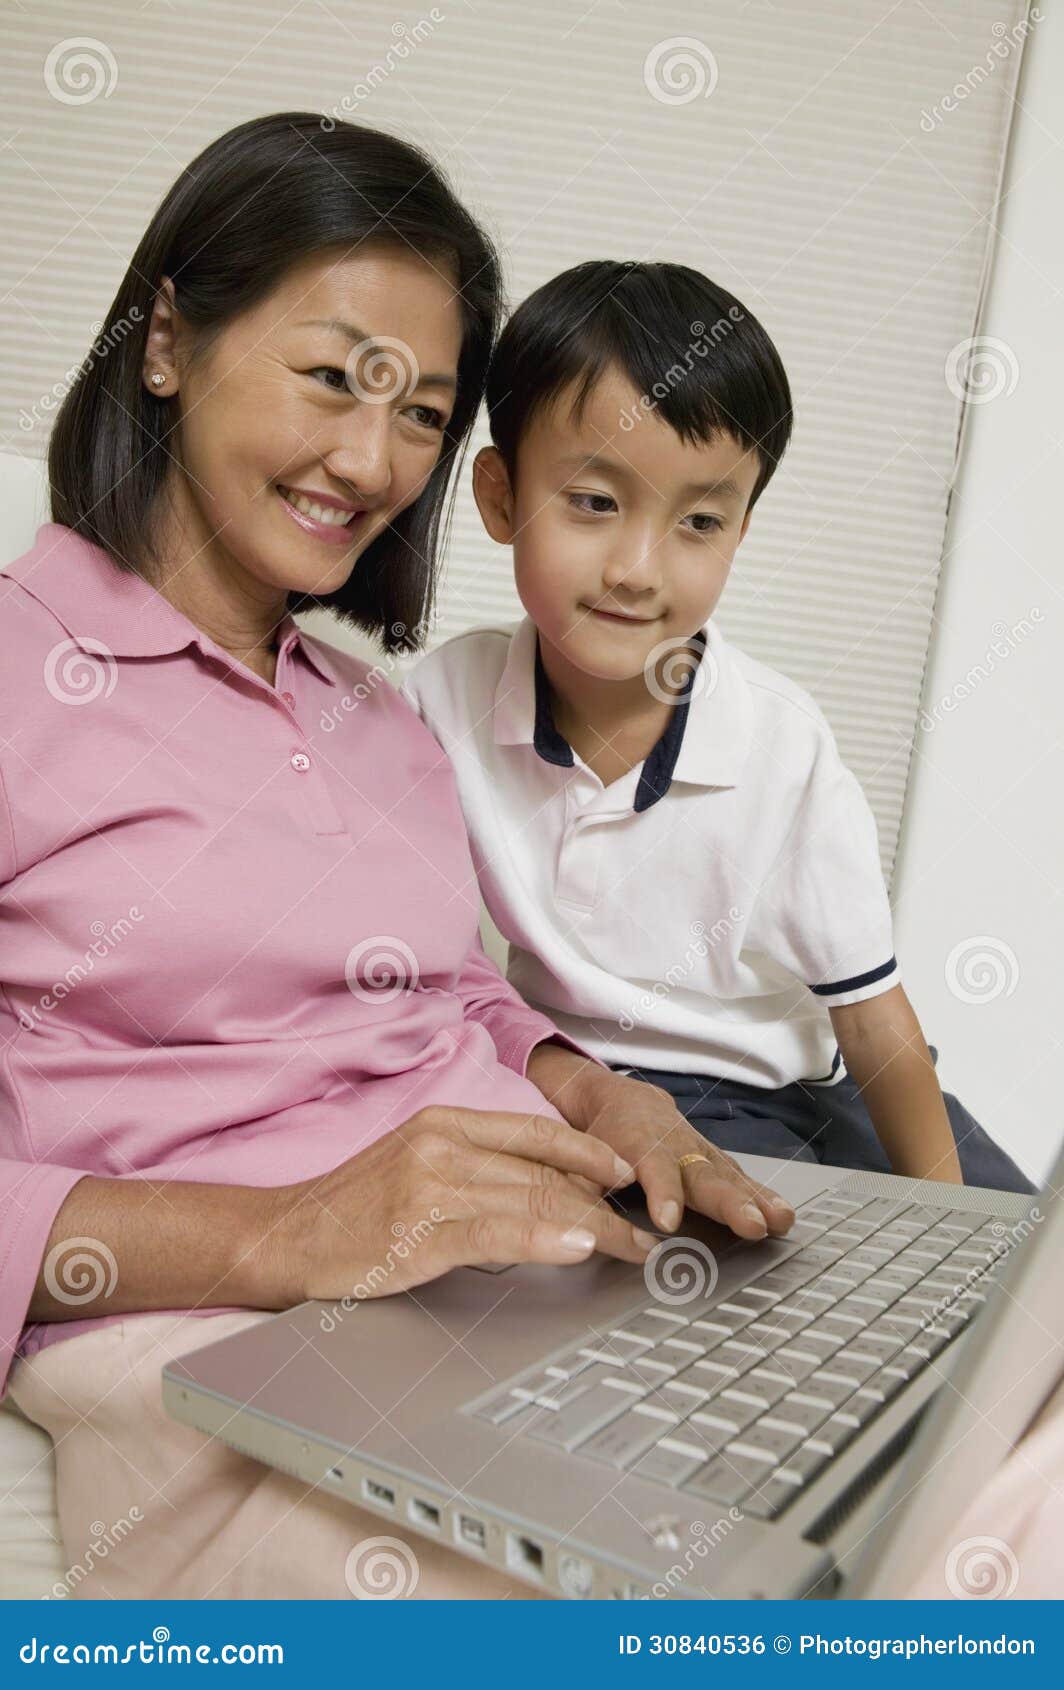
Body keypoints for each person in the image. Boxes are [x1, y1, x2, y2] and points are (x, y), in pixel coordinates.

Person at [0, 121, 794, 1601]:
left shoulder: (376, 713)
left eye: (422, 412)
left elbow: (450, 999)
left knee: (971, 1456)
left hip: (549, 1260)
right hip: (236, 1346)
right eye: (332, 377)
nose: (371, 461)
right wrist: (297, 1232)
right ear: (166, 338)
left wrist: (593, 1088)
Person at [402, 259, 1033, 1199]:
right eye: (595, 503)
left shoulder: (779, 746)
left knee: (1013, 1259)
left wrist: (940, 1220)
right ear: (500, 495)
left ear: (740, 533)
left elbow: (870, 1020)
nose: (637, 569)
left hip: (802, 1077)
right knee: (762, 1257)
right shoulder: (442, 699)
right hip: (606, 1085)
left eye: (699, 520)